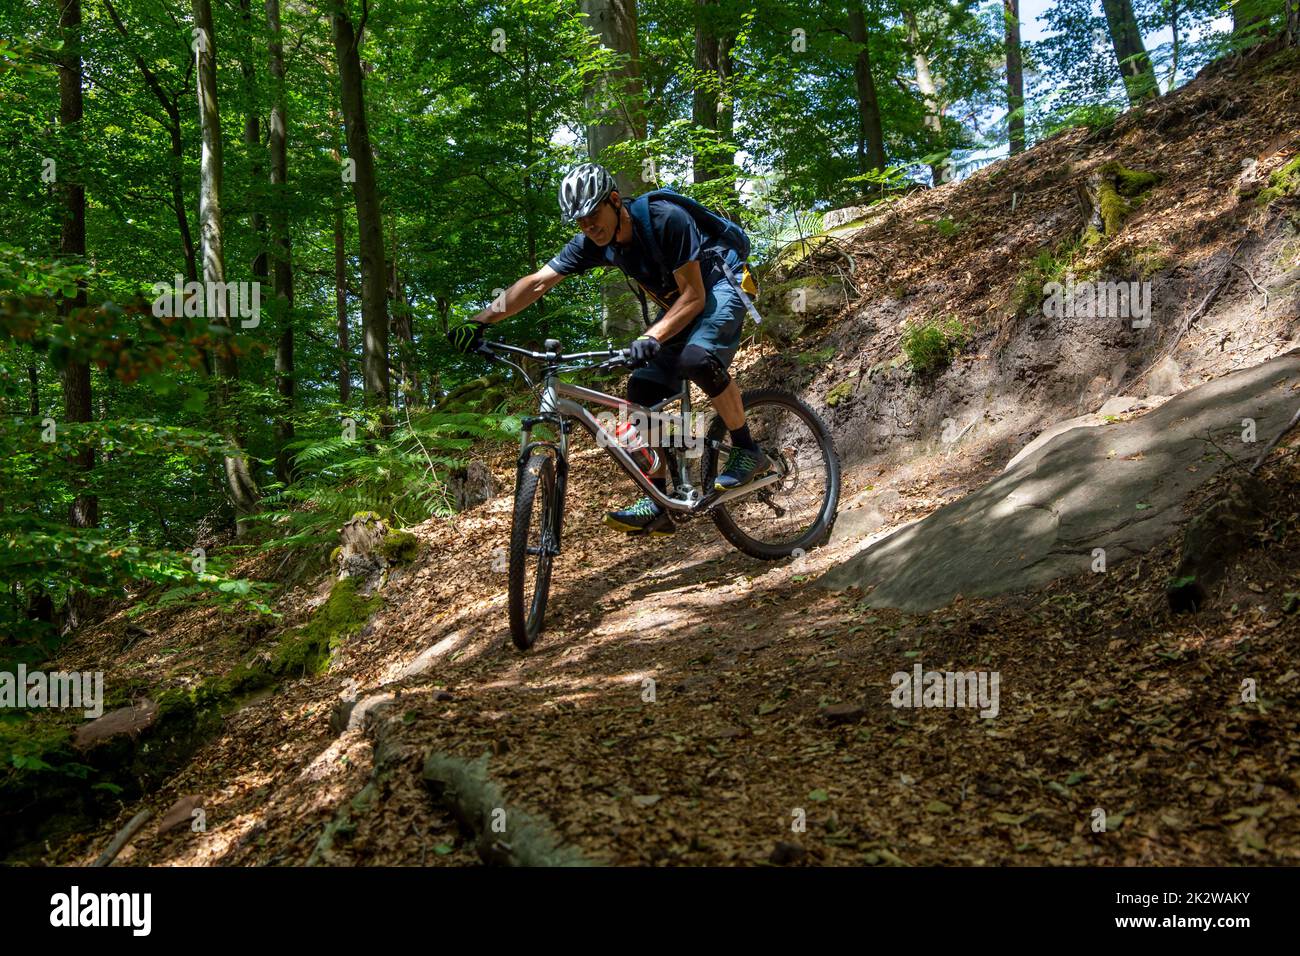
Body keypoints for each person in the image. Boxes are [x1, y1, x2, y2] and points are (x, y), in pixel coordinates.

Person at [448, 162, 768, 536]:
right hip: (680, 306)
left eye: (592, 216)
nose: (587, 227)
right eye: (579, 222)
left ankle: (748, 450)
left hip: (721, 287)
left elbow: (695, 297)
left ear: (614, 201)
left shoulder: (666, 219)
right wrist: (480, 320)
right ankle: (659, 501)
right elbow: (536, 283)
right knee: (642, 390)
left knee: (696, 359)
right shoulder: (594, 242)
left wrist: (650, 337)